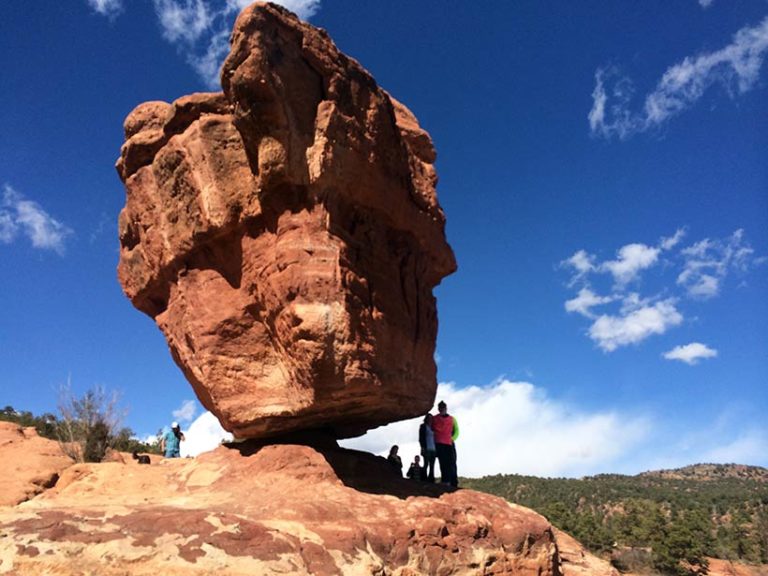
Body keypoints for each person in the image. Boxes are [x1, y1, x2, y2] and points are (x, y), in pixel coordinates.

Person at [431, 401, 459, 487]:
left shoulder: (452, 419)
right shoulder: (434, 419)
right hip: (439, 444)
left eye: (443, 407)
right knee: (443, 463)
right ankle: (445, 481)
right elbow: (430, 430)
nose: (442, 409)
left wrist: (452, 439)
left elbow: (457, 431)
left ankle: (453, 482)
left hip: (449, 444)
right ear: (438, 409)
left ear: (446, 408)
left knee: (452, 462)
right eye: (440, 407)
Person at [419, 413, 437, 482]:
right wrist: (422, 447)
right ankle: (424, 479)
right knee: (426, 464)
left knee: (432, 465)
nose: (430, 419)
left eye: (431, 418)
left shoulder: (434, 427)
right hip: (426, 448)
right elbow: (421, 438)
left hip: (433, 449)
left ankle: (431, 479)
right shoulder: (423, 426)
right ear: (426, 419)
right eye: (428, 418)